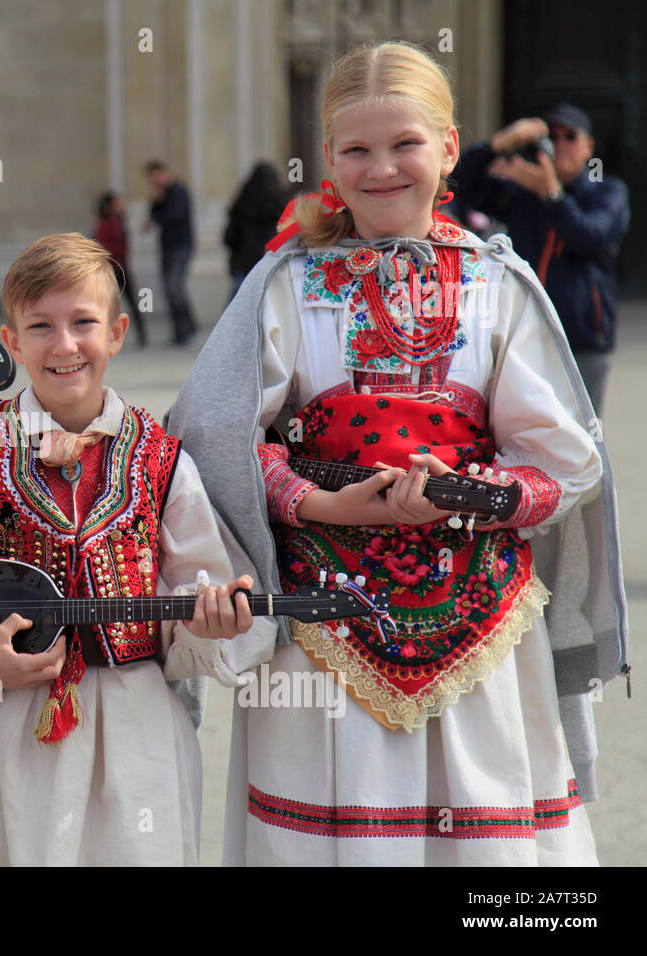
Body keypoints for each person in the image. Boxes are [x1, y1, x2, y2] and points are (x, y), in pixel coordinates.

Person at [168, 41, 626, 866]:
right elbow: (212, 440)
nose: (382, 168)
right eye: (356, 149)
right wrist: (326, 503)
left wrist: (476, 495)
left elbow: (566, 461)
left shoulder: (497, 285)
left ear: (450, 148)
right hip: (320, 636)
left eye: (405, 144)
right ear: (329, 163)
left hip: (477, 628)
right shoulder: (282, 285)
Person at [0, 234, 273, 865]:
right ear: (11, 342)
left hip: (134, 733)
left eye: (83, 323)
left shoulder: (164, 460)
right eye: (40, 326)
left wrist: (209, 624)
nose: (64, 345)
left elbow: (202, 594)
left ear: (117, 332)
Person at [453, 102, 630, 414]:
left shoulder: (607, 191)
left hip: (583, 337)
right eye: (552, 138)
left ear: (588, 146)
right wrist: (497, 144)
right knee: (530, 427)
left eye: (569, 137)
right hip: (527, 335)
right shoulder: (522, 193)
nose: (560, 145)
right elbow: (458, 183)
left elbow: (590, 237)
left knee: (584, 433)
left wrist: (551, 194)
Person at [144, 160, 198, 345]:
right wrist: (156, 201)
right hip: (168, 246)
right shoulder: (163, 194)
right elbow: (153, 215)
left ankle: (187, 327)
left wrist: (159, 210)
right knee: (170, 289)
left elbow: (175, 215)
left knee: (173, 286)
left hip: (181, 245)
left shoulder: (179, 191)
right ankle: (183, 329)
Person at [223, 161, 289, 302]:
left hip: (244, 263)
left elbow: (230, 237)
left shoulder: (242, 204)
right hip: (272, 264)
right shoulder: (283, 206)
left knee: (239, 304)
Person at [92, 190, 146, 346]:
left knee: (134, 302)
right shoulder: (104, 223)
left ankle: (142, 336)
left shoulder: (119, 221)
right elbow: (105, 247)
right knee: (105, 304)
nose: (122, 206)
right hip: (111, 269)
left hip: (122, 267)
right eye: (118, 203)